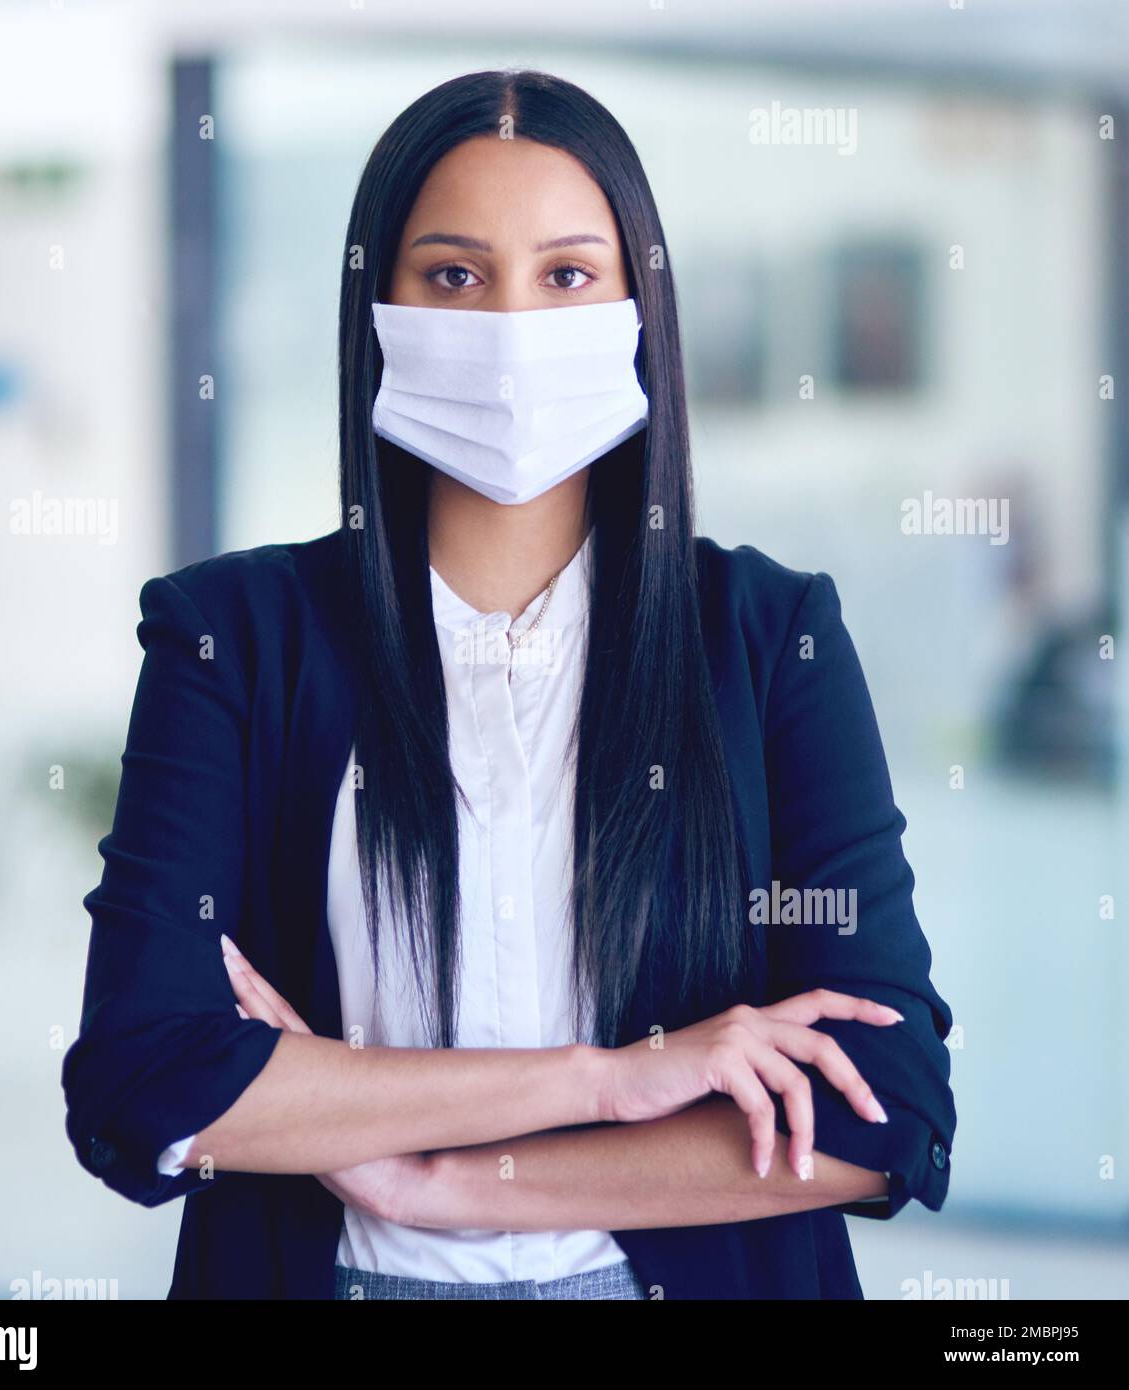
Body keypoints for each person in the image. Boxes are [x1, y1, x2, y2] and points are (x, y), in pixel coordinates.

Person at [61, 68, 956, 1300]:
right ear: (376, 305)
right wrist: (606, 1077)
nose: (510, 325)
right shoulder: (230, 638)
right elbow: (143, 1084)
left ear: (641, 304)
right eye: (453, 274)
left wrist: (437, 1176)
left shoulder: (766, 637)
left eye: (568, 274)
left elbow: (881, 1108)